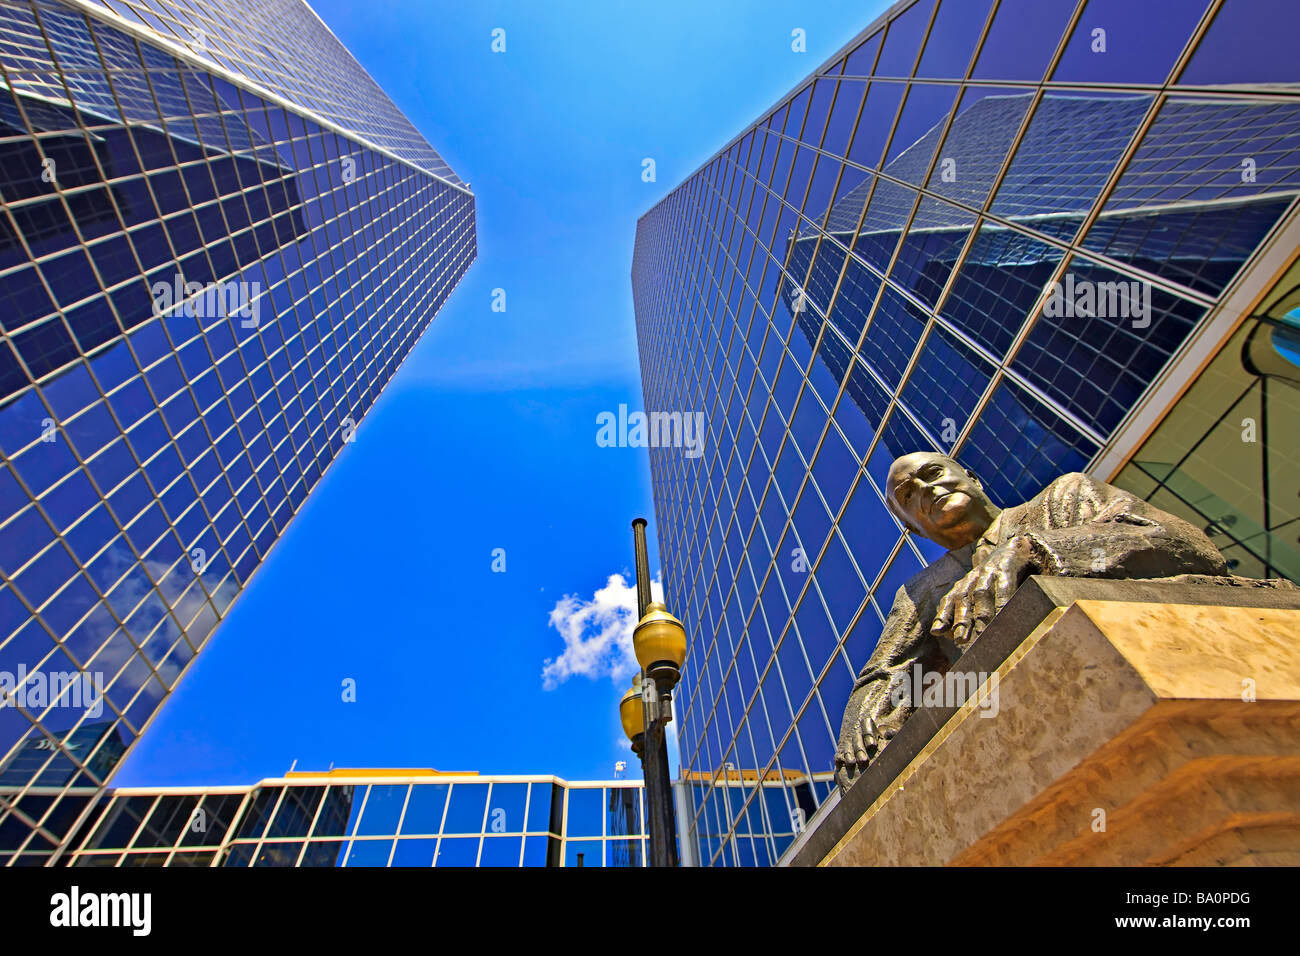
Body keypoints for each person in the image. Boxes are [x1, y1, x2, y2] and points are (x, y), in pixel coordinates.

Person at [834, 451, 1229, 792]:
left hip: (1167, 702)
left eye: (932, 474)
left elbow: (1188, 546)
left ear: (971, 477)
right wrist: (862, 725)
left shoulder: (1064, 498)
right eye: (909, 494)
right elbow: (888, 672)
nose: (926, 489)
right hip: (1031, 747)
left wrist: (1034, 551)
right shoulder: (922, 593)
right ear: (913, 528)